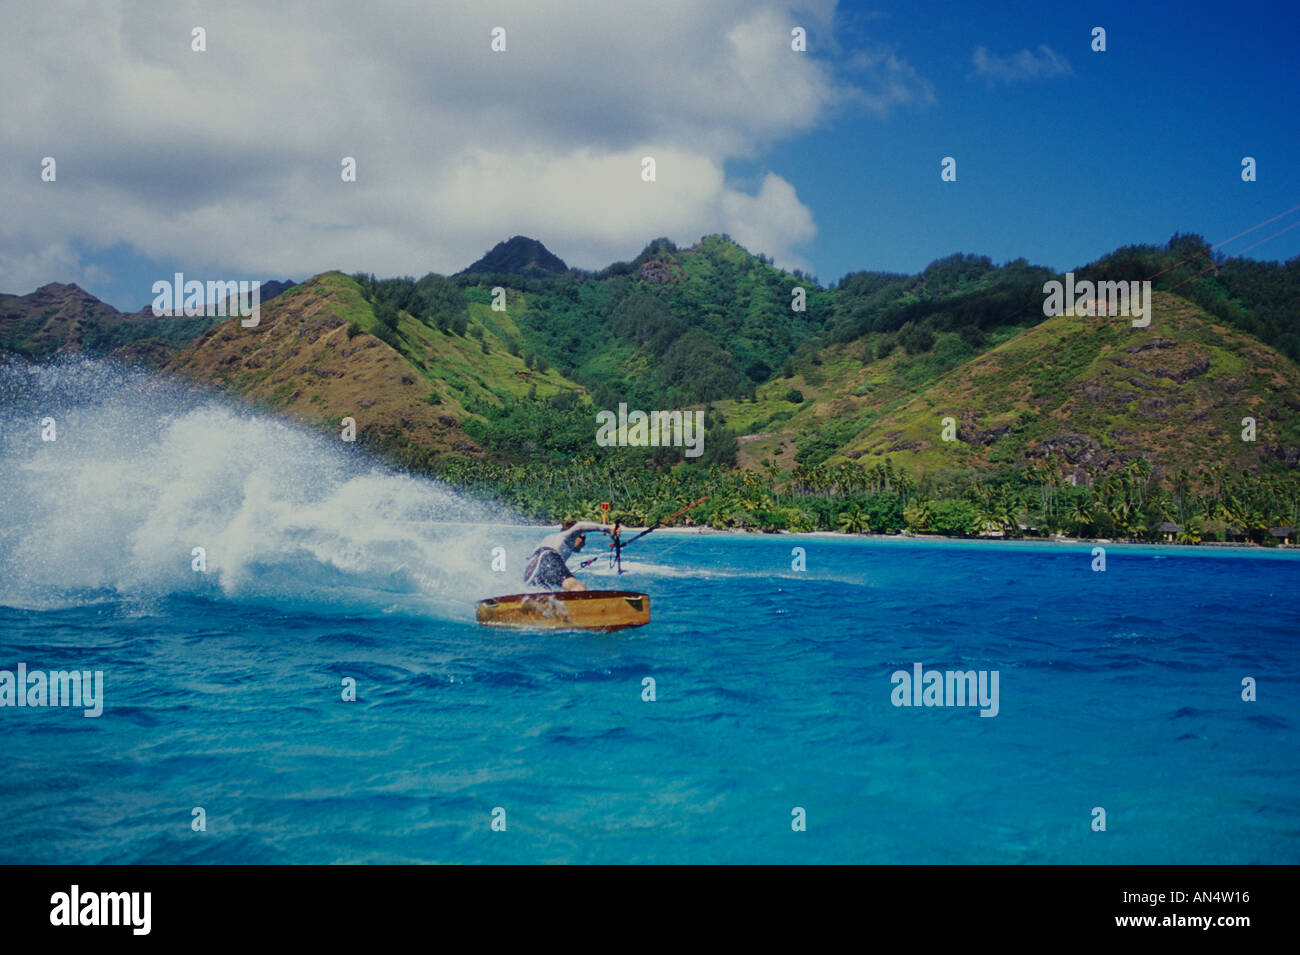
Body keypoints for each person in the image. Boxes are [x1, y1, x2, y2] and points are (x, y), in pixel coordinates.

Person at [523, 520, 612, 592]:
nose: (584, 543)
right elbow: (580, 526)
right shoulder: (565, 536)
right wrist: (608, 529)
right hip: (547, 557)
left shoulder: (551, 539)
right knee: (577, 587)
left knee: (542, 600)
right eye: (583, 538)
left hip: (530, 571)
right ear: (574, 535)